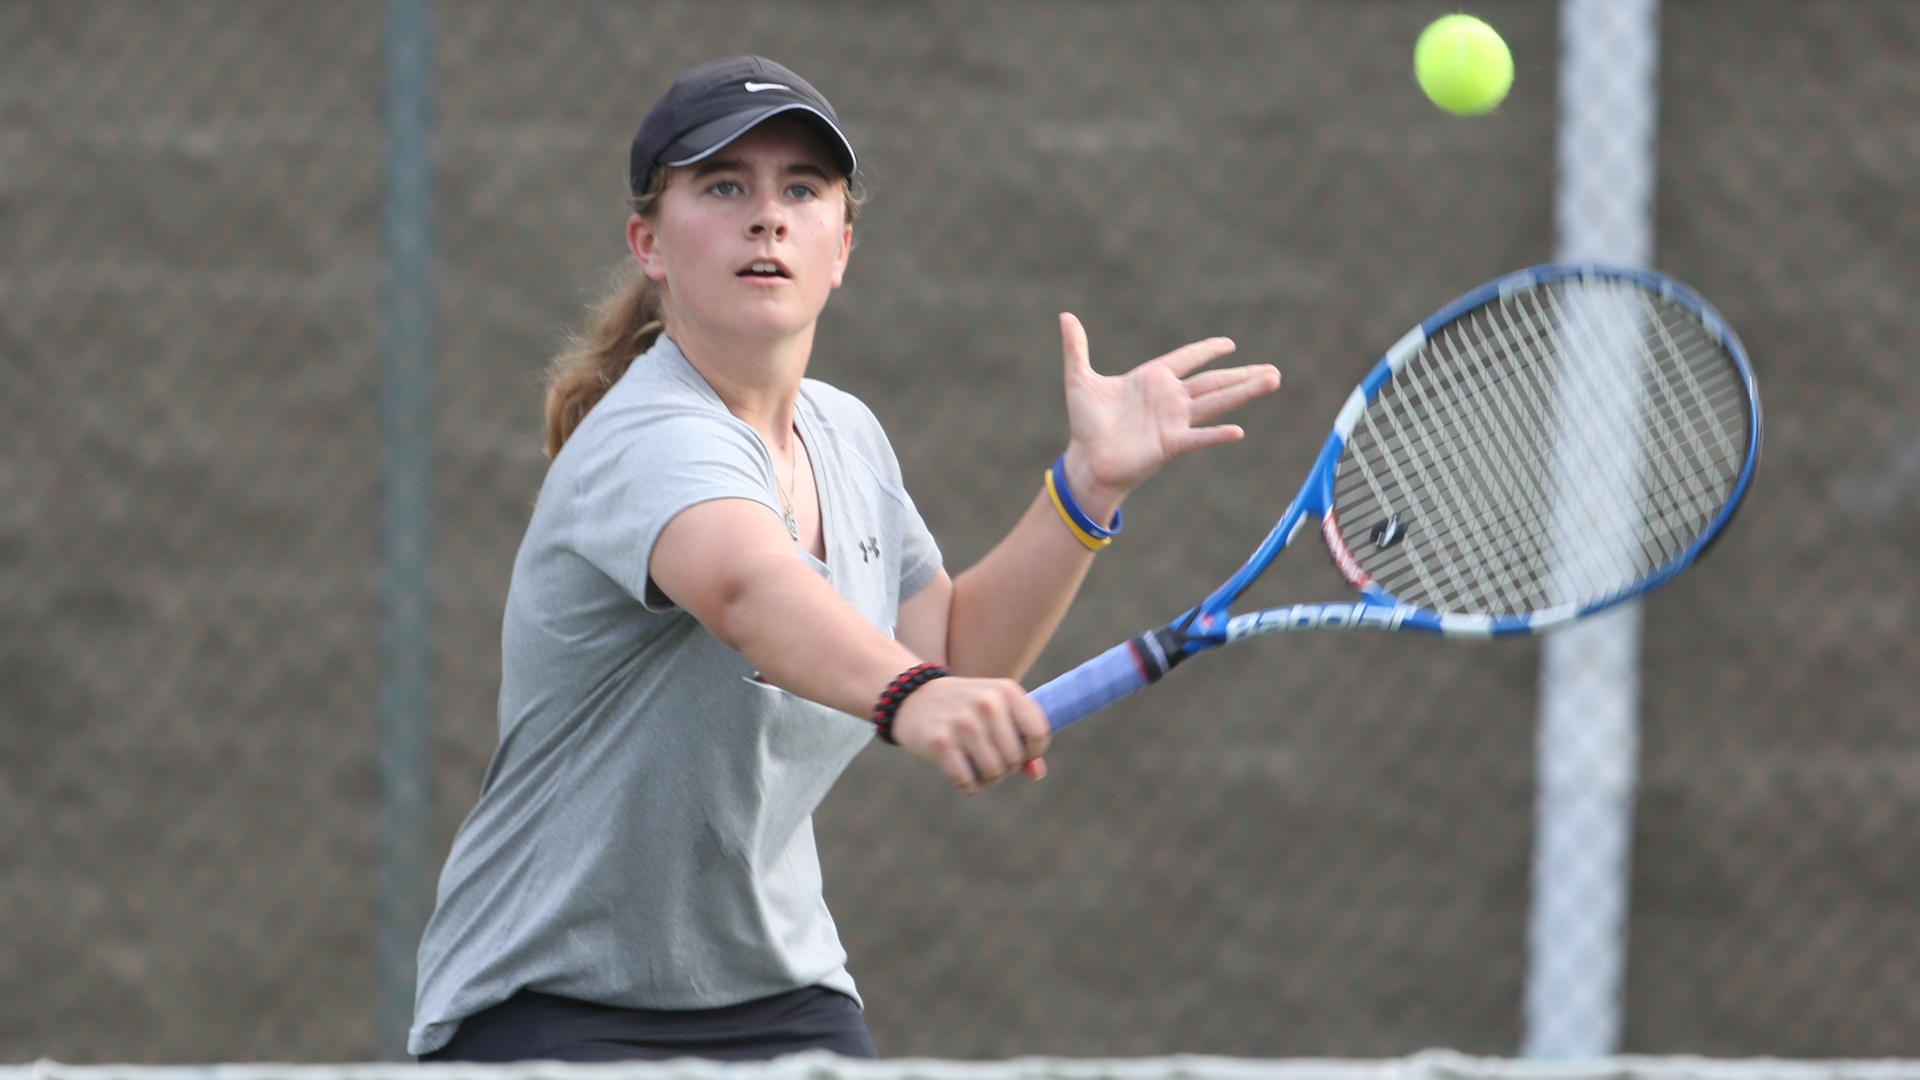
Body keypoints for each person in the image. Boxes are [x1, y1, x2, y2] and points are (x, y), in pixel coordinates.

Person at [409, 55, 1279, 1063]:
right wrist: (912, 696)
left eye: (802, 190)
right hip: (552, 1002)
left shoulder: (847, 436)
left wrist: (1088, 488)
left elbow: (950, 649)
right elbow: (747, 587)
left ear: (842, 248)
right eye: (724, 186)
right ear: (648, 242)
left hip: (782, 993)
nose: (767, 217)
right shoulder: (647, 431)